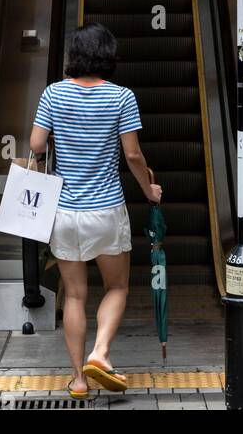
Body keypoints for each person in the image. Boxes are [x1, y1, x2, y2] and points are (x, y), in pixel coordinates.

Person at [29, 22, 162, 399]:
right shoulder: (122, 97)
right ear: (108, 54)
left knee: (73, 296)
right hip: (105, 211)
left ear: (75, 54)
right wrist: (149, 190)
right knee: (117, 286)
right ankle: (100, 353)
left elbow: (37, 145)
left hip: (64, 214)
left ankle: (79, 380)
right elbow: (133, 154)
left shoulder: (53, 94)